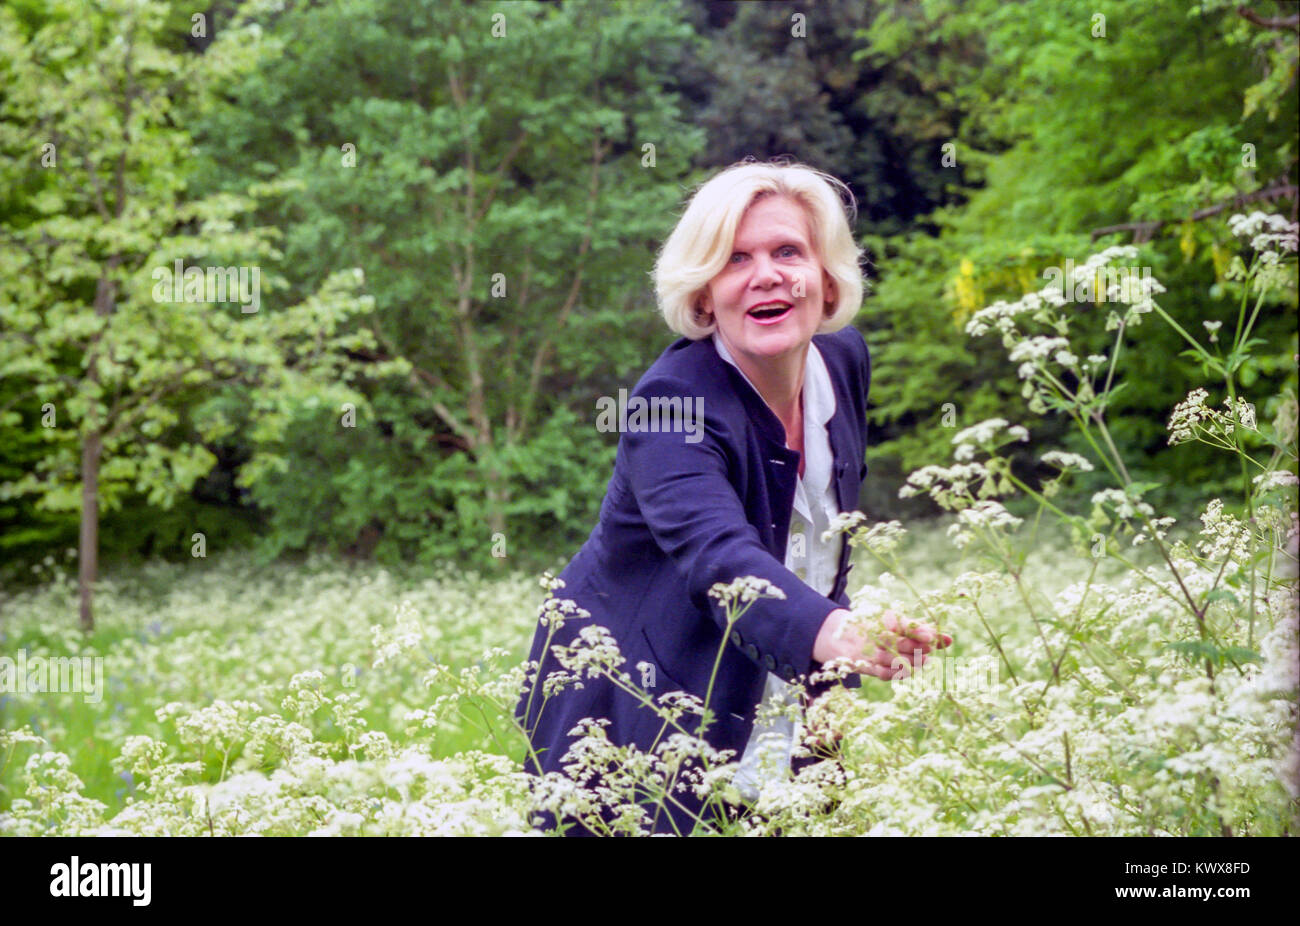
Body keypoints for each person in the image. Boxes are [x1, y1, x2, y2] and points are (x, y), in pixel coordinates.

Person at [513, 159, 951, 836]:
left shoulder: (842, 360)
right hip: (632, 693)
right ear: (704, 293)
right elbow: (718, 558)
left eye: (787, 252)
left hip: (782, 679)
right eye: (735, 259)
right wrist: (835, 634)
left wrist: (834, 670)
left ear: (826, 278)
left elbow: (821, 544)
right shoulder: (668, 406)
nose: (767, 275)